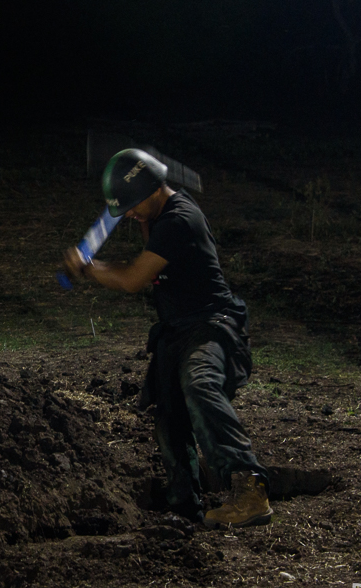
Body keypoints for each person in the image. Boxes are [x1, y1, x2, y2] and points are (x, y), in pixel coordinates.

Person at [64, 148, 271, 528]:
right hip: (178, 329)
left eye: (131, 205)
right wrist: (136, 206)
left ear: (154, 189)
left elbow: (132, 280)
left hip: (212, 324)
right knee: (169, 418)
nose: (127, 214)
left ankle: (250, 490)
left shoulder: (179, 220)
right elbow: (144, 235)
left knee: (200, 383)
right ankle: (185, 508)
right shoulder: (156, 213)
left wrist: (88, 269)